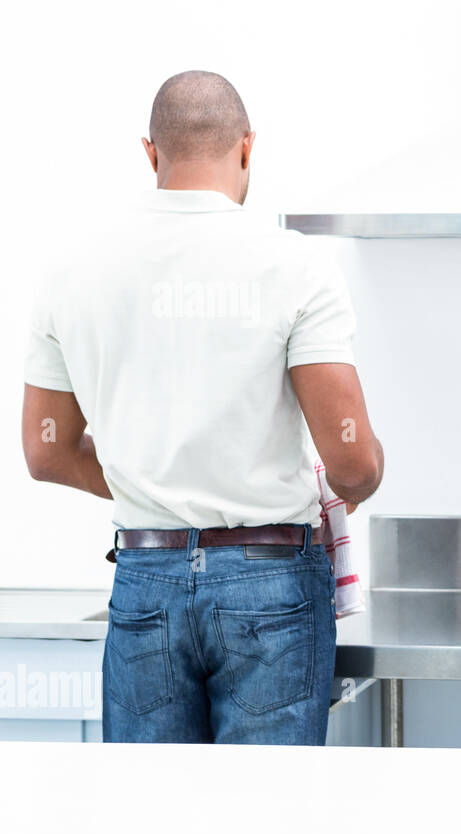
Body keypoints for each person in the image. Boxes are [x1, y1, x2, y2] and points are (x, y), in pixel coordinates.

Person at [21, 70, 384, 745]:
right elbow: (354, 461)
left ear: (150, 152)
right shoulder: (294, 267)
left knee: (151, 829)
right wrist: (347, 482)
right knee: (266, 826)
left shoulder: (73, 271)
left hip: (145, 578)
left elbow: (47, 450)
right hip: (271, 584)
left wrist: (150, 479)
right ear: (248, 149)